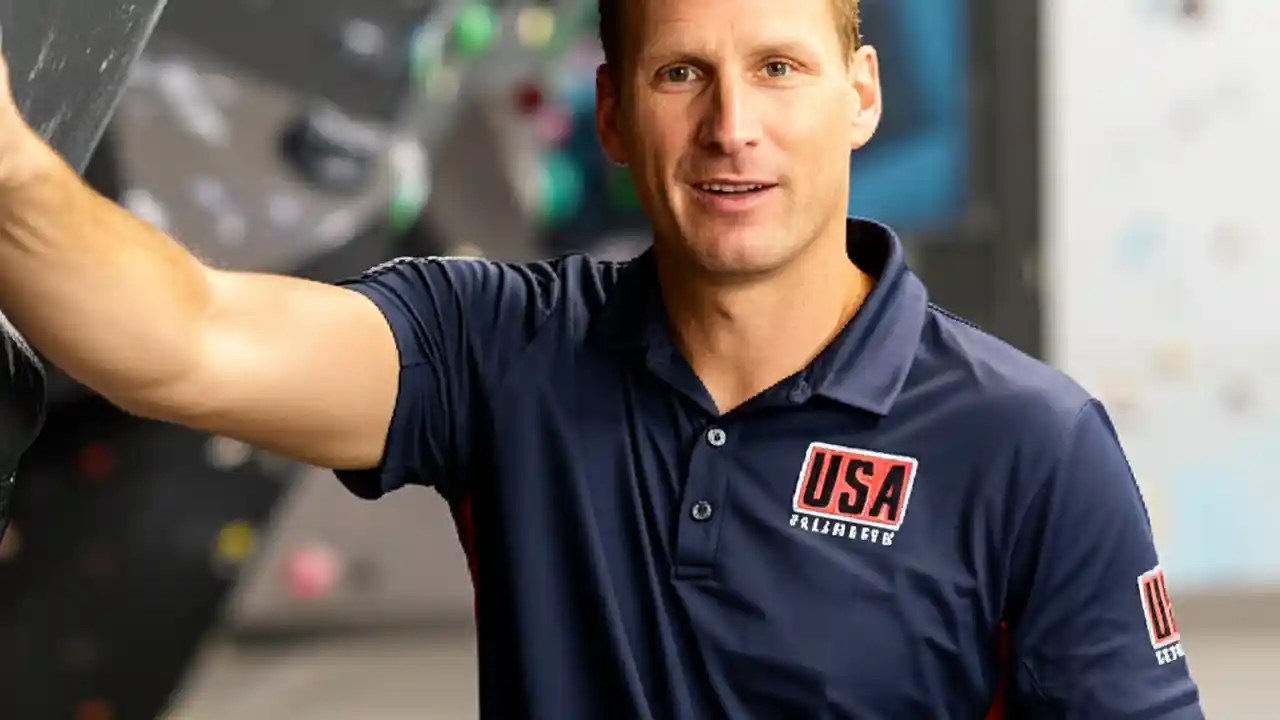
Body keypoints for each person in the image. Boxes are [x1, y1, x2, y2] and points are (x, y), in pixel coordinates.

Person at [0, 0, 1203, 716]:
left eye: (776, 69)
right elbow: (183, 344)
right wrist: (11, 167)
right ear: (616, 112)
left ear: (859, 95)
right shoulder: (499, 350)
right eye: (682, 72)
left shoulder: (1027, 444)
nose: (731, 125)